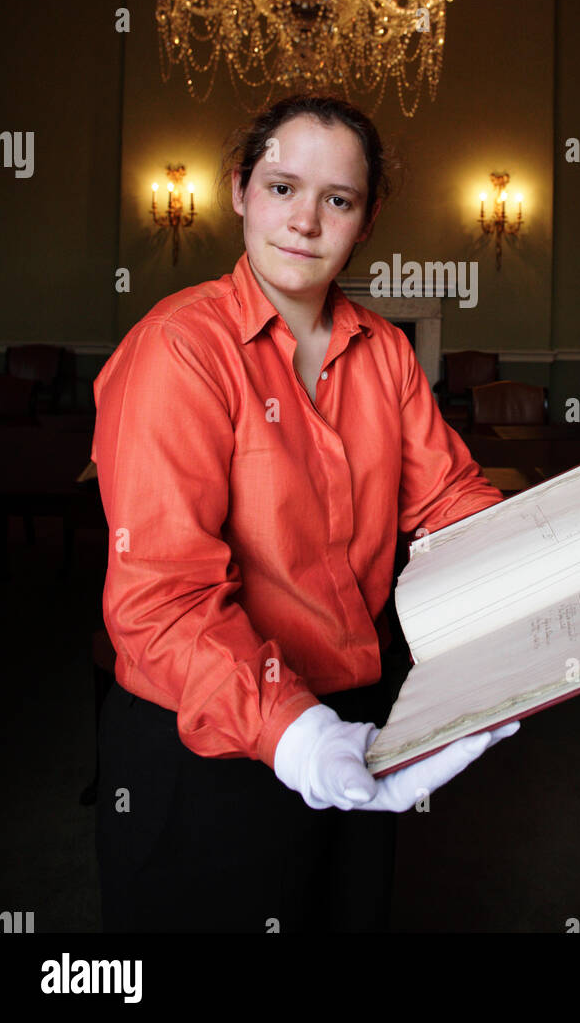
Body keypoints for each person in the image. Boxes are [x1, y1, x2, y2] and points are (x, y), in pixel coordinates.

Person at [92, 92, 519, 933]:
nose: (305, 221)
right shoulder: (178, 348)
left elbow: (447, 499)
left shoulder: (386, 351)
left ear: (368, 219)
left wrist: (523, 585)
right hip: (207, 734)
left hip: (361, 715)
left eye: (339, 199)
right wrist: (293, 731)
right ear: (239, 189)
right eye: (283, 187)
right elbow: (161, 600)